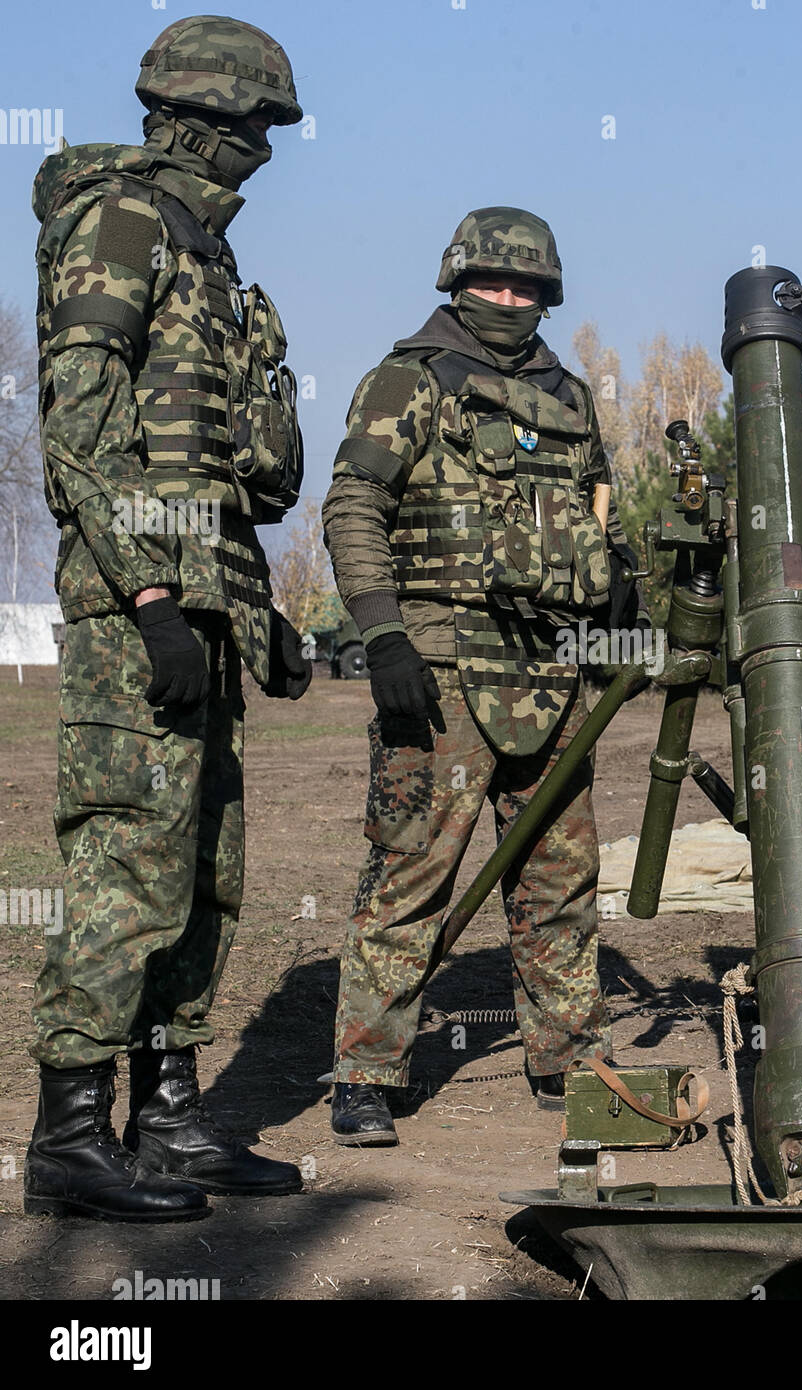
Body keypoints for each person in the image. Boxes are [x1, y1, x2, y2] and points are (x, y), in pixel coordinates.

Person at [26, 16, 311, 1222]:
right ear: (203, 120)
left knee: (205, 874)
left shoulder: (208, 253)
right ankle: (70, 1138)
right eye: (254, 127)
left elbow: (235, 469)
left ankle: (172, 1120)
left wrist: (255, 608)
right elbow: (79, 422)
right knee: (126, 863)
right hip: (134, 609)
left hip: (204, 603)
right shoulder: (122, 221)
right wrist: (147, 598)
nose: (263, 150)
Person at [322, 207, 641, 1143]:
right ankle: (366, 1072)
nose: (509, 302)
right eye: (493, 285)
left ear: (548, 296)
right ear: (456, 284)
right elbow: (354, 502)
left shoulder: (572, 395)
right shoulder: (406, 381)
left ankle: (569, 1058)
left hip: (552, 668)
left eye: (527, 289)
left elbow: (602, 516)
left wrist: (622, 584)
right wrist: (381, 635)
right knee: (411, 871)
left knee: (560, 877)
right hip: (442, 664)